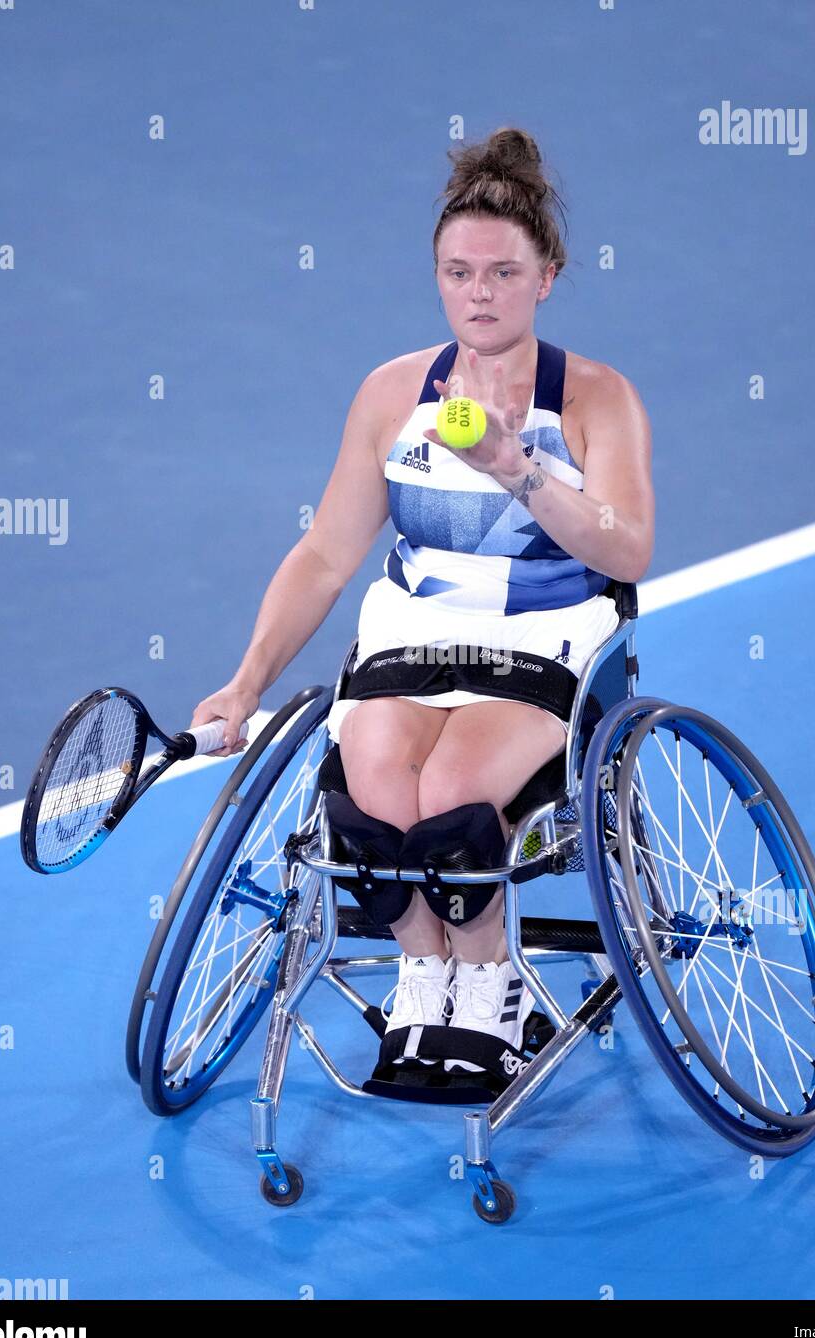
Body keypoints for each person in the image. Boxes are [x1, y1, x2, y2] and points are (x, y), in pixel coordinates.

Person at [191, 127, 653, 1077]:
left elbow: (627, 545)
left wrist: (517, 469)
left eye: (501, 272)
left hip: (546, 639)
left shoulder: (597, 401)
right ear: (437, 276)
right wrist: (244, 686)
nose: (478, 293)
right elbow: (325, 555)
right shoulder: (392, 394)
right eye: (457, 272)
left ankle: (489, 988)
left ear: (547, 277)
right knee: (370, 808)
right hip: (413, 636)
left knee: (448, 800)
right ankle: (422, 972)